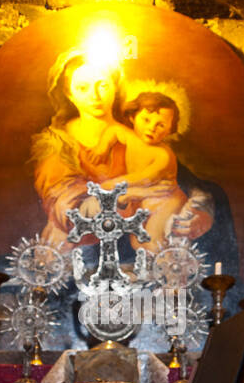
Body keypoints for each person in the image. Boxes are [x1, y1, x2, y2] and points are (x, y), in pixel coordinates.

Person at [30, 48, 128, 247]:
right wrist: (93, 206)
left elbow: (167, 181)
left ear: (115, 87)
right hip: (74, 240)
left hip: (130, 238)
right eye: (83, 88)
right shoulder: (57, 141)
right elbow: (57, 193)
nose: (95, 96)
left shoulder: (134, 137)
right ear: (69, 94)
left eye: (103, 86)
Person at [86, 90, 191, 251]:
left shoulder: (163, 155)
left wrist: (109, 185)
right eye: (146, 120)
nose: (152, 128)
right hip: (144, 198)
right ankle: (150, 271)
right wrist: (102, 147)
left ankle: (166, 271)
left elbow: (143, 178)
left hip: (166, 199)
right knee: (137, 242)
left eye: (161, 124)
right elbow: (113, 130)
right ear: (132, 117)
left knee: (153, 239)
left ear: (170, 130)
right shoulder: (129, 136)